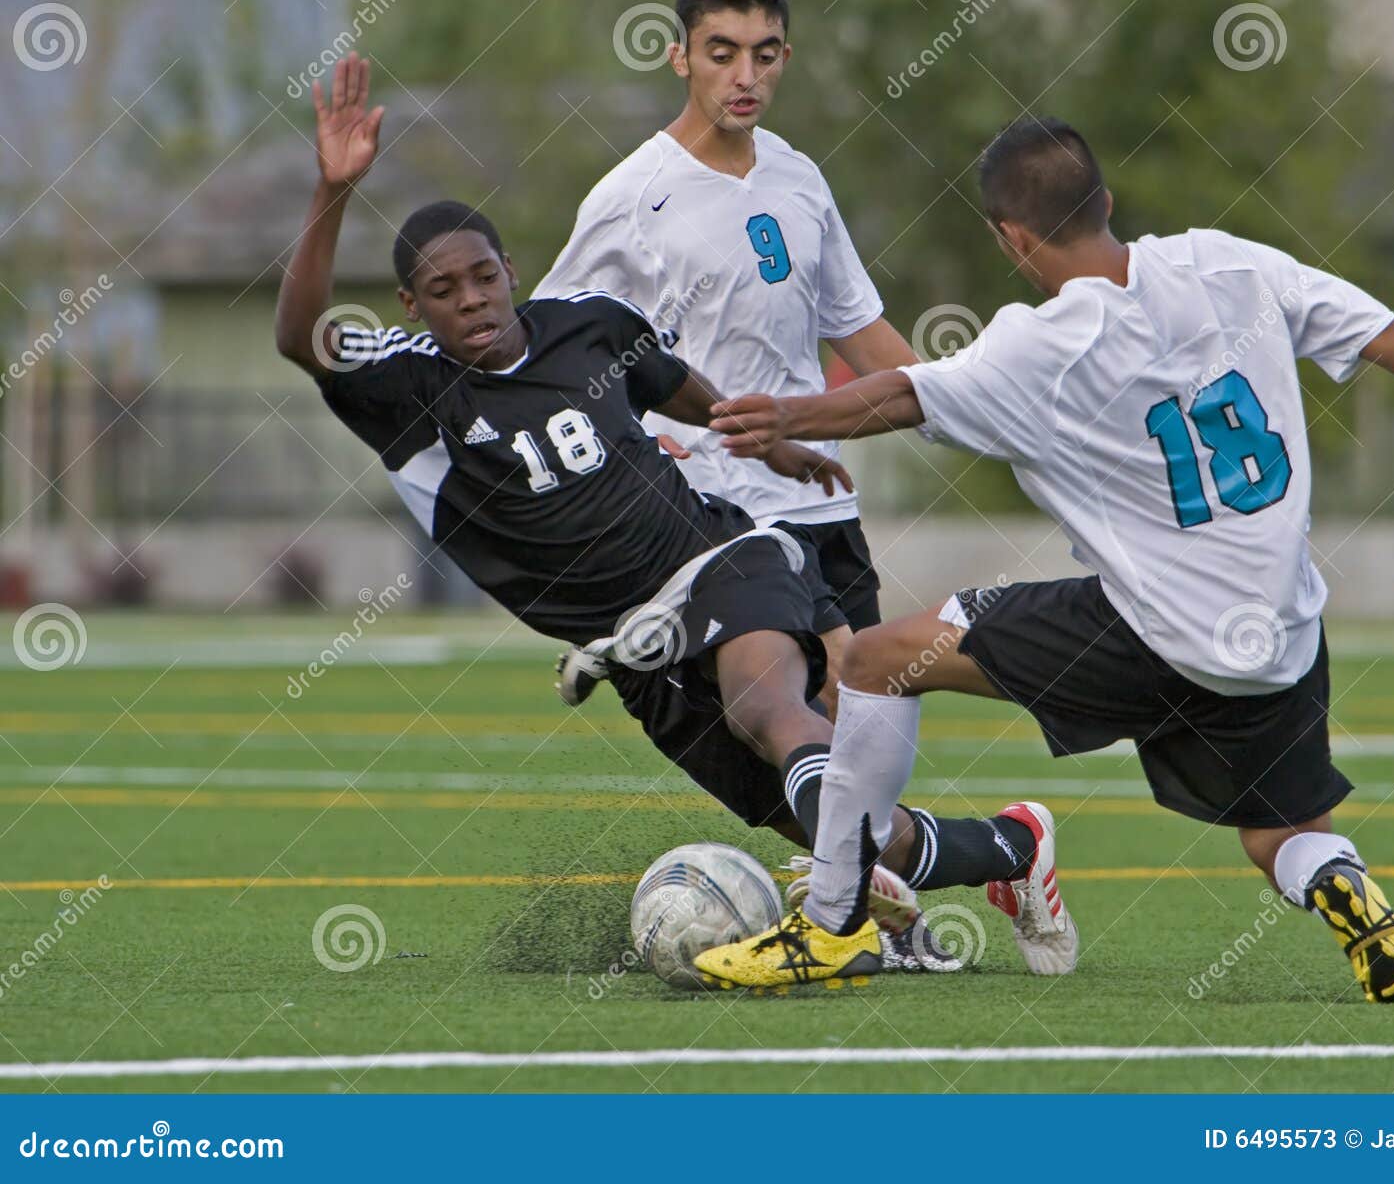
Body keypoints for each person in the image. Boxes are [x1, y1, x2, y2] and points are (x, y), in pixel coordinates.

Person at [695, 115, 1394, 998]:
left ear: (1012, 237)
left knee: (881, 661)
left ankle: (830, 925)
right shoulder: (1230, 265)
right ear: (1107, 202)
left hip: (1146, 635)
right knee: (1283, 836)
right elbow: (1383, 333)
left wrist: (786, 416)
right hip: (1279, 633)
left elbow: (900, 395)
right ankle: (1341, 882)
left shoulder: (1038, 347)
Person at [273, 54, 1057, 973]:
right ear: (413, 305)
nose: (471, 300)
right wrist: (332, 191)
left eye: (482, 277)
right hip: (635, 651)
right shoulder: (411, 386)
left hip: (719, 558)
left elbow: (676, 386)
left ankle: (834, 931)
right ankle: (1013, 849)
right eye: (443, 292)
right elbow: (300, 337)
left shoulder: (585, 322)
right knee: (837, 819)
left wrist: (772, 442)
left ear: (508, 270)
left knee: (770, 707)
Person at [534, 0, 917, 712]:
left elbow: (863, 333)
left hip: (820, 496)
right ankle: (653, 617)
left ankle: (643, 636)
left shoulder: (800, 175)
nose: (746, 74)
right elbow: (550, 355)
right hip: (717, 504)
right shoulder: (631, 198)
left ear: (786, 58)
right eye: (722, 52)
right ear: (680, 57)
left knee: (875, 715)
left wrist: (969, 397)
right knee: (812, 698)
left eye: (764, 53)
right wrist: (631, 441)